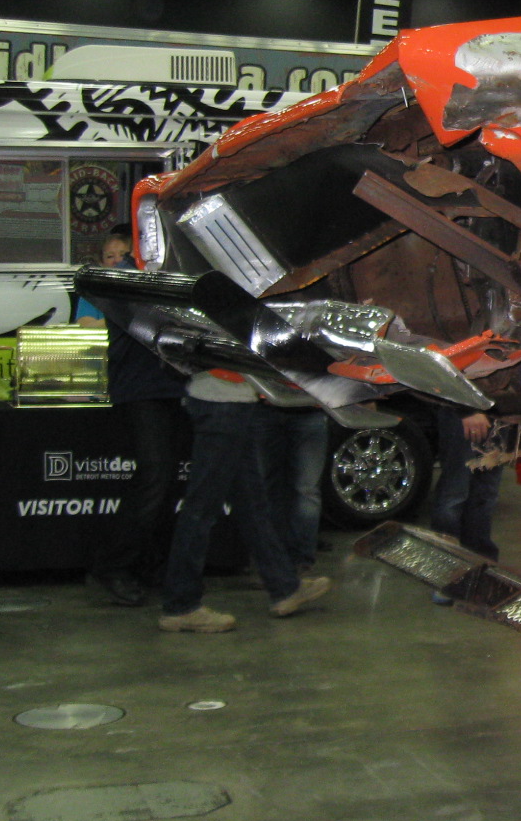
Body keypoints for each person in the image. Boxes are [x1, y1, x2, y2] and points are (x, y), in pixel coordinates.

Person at [158, 368, 333, 632]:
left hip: (234, 400)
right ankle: (180, 604)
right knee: (201, 509)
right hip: (222, 402)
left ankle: (284, 587)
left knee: (252, 504)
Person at [75, 229, 188, 607]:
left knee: (167, 481)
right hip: (141, 388)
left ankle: (149, 563)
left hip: (170, 387)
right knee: (155, 478)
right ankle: (113, 564)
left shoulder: (167, 273)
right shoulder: (125, 277)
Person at [429, 405, 503, 603]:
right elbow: (445, 374)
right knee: (454, 495)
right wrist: (466, 411)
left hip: (497, 416)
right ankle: (445, 576)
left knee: (484, 496)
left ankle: (480, 575)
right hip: (464, 415)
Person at [254, 401, 331, 575]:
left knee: (305, 489)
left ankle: (300, 560)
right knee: (269, 488)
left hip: (309, 410)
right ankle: (273, 561)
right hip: (265, 407)